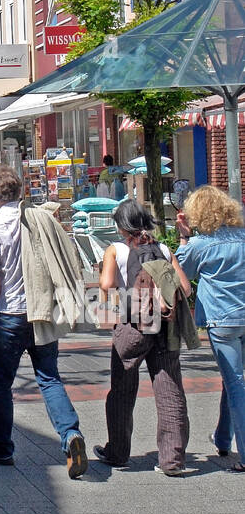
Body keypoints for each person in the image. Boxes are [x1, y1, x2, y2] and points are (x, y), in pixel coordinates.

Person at [0, 164, 88, 477]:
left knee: (1, 385)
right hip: (41, 311)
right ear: (21, 191)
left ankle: (1, 449)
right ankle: (71, 435)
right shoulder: (39, 220)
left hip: (9, 316)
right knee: (49, 377)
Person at [94, 200, 194, 477]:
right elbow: (184, 287)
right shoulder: (163, 249)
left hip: (131, 326)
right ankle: (172, 460)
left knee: (122, 390)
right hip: (163, 327)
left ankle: (117, 452)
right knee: (170, 389)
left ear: (121, 225)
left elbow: (106, 285)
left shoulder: (117, 249)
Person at [175, 186, 245, 472]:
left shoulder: (200, 245)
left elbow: (181, 276)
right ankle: (223, 438)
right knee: (234, 381)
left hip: (222, 320)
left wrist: (183, 238)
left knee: (236, 384)